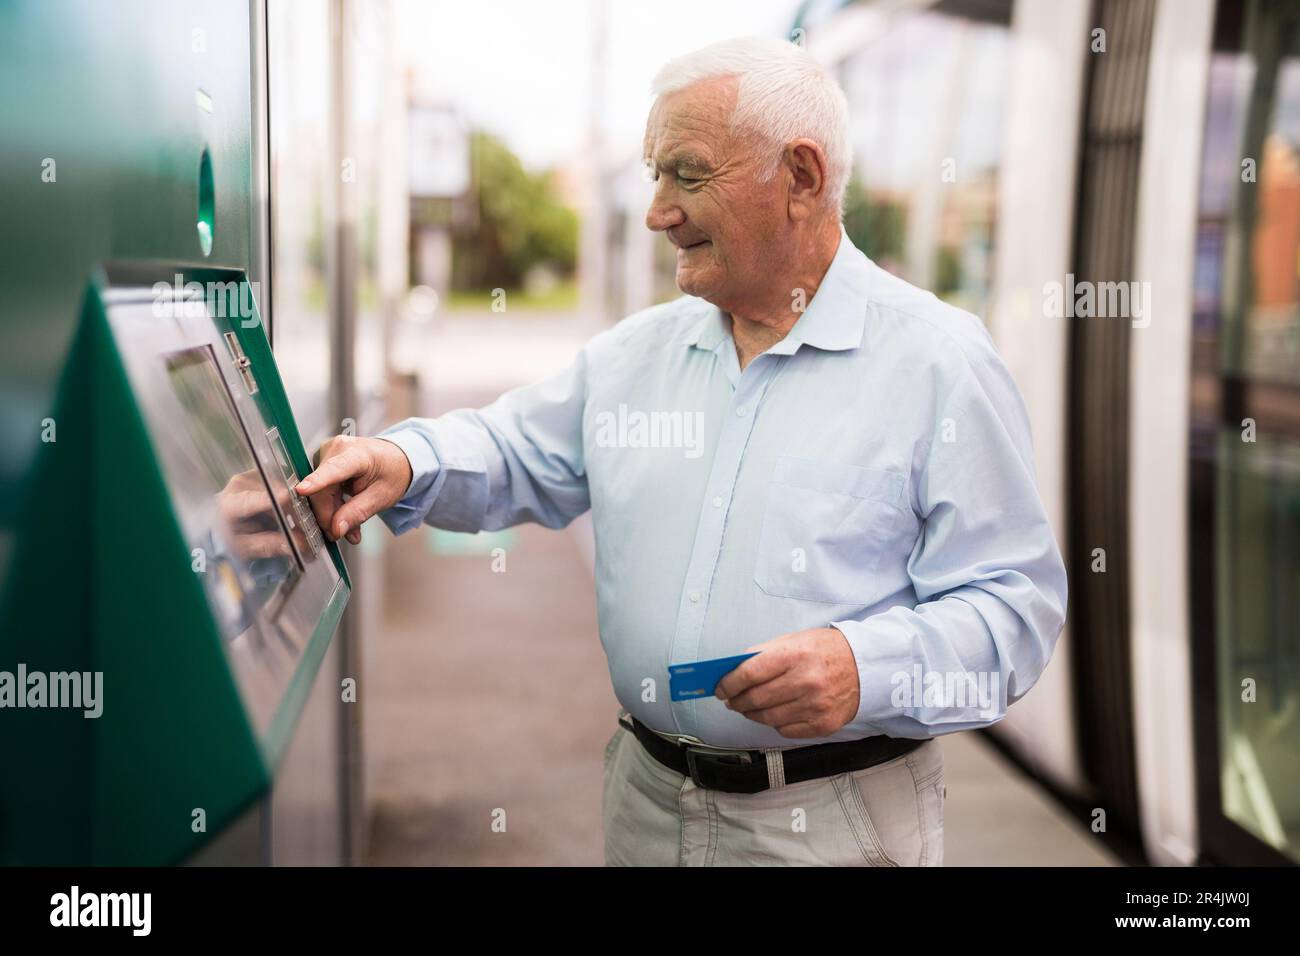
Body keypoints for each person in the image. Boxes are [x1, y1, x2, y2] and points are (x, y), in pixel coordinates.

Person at [295, 36, 1067, 867]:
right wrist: (400, 461)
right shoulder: (638, 355)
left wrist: (863, 666)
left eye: (687, 174)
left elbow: (1014, 612)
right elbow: (513, 449)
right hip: (645, 802)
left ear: (801, 177)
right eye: (654, 174)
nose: (659, 210)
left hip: (832, 824)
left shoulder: (938, 363)